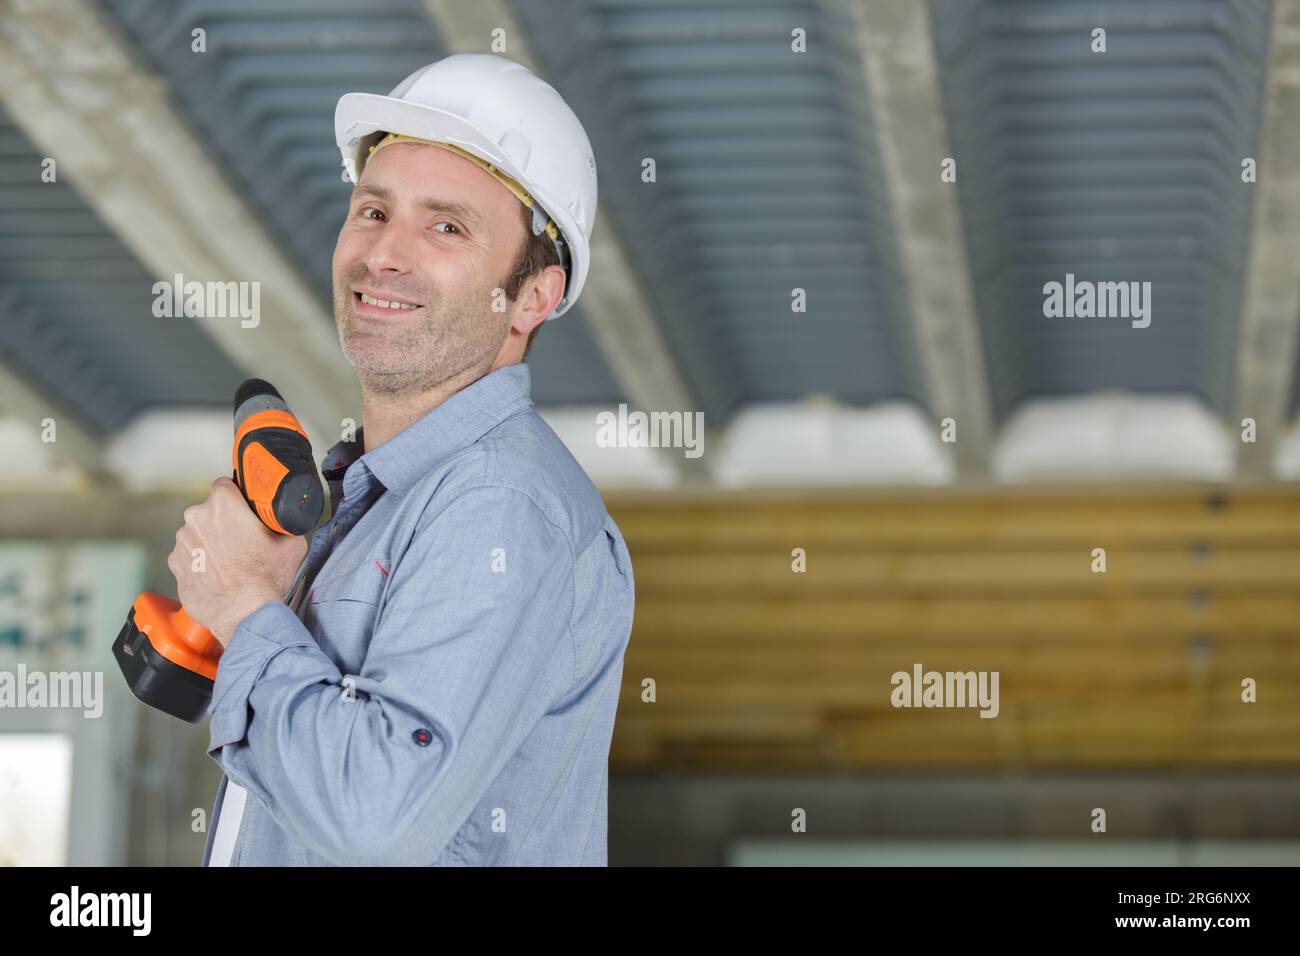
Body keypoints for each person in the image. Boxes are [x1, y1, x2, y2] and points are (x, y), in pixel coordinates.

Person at [168, 53, 635, 866]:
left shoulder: (500, 502)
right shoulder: (373, 497)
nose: (384, 254)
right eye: (373, 210)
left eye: (446, 226)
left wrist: (244, 606)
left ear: (534, 296)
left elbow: (375, 820)